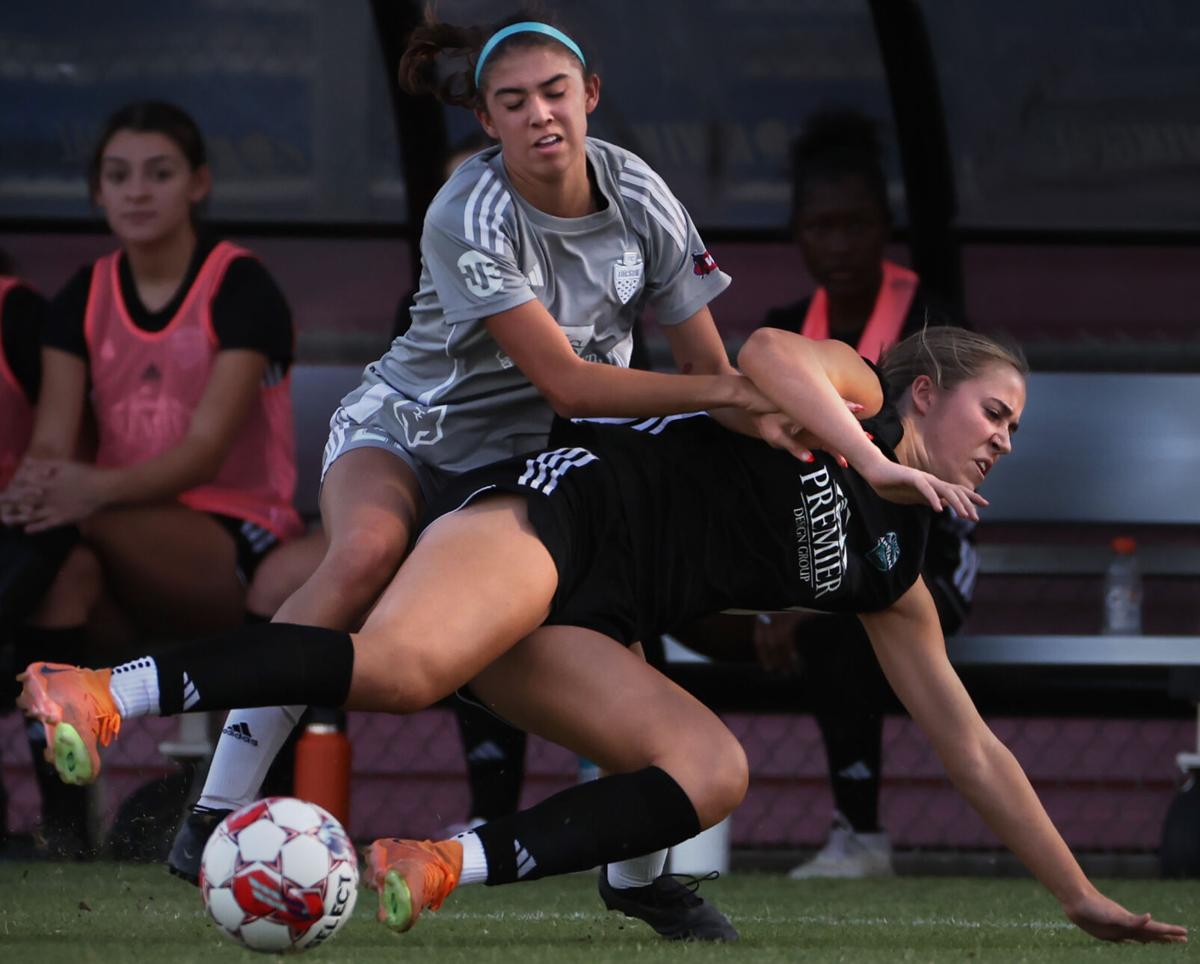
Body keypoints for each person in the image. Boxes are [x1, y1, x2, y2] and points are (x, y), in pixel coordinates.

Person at [17, 327, 1188, 947]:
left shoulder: (900, 571)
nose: (1004, 440)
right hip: (570, 508)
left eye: (1016, 428)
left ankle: (432, 864)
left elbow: (972, 748)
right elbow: (768, 356)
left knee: (713, 771)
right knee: (408, 669)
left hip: (600, 616)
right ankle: (101, 688)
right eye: (995, 412)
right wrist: (868, 450)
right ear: (926, 389)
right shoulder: (862, 395)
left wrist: (1077, 894)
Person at [163, 12, 792, 939]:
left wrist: (766, 431)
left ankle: (640, 879)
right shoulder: (470, 208)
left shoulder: (642, 195)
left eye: (554, 92)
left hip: (526, 479)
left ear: (591, 98)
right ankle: (213, 813)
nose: (540, 113)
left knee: (625, 638)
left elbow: (707, 372)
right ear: (488, 123)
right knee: (364, 553)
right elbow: (571, 381)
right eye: (513, 102)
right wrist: (735, 396)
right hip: (409, 439)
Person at [0, 100, 318, 848]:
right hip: (109, 545)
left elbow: (205, 450)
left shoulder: (240, 284)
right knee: (62, 572)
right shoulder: (81, 294)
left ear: (198, 184)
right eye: (118, 176)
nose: (137, 191)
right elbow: (50, 443)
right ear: (97, 196)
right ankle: (68, 833)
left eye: (158, 173)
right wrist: (33, 487)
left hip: (232, 541)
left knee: (73, 526)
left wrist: (79, 490)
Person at [693, 109, 976, 877]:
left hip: (922, 555)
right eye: (823, 226)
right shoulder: (787, 330)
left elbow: (943, 468)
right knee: (675, 605)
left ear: (886, 226)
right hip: (807, 553)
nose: (841, 243)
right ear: (799, 235)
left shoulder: (932, 324)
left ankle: (861, 832)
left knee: (849, 614)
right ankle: (657, 822)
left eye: (857, 224)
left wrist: (803, 601)